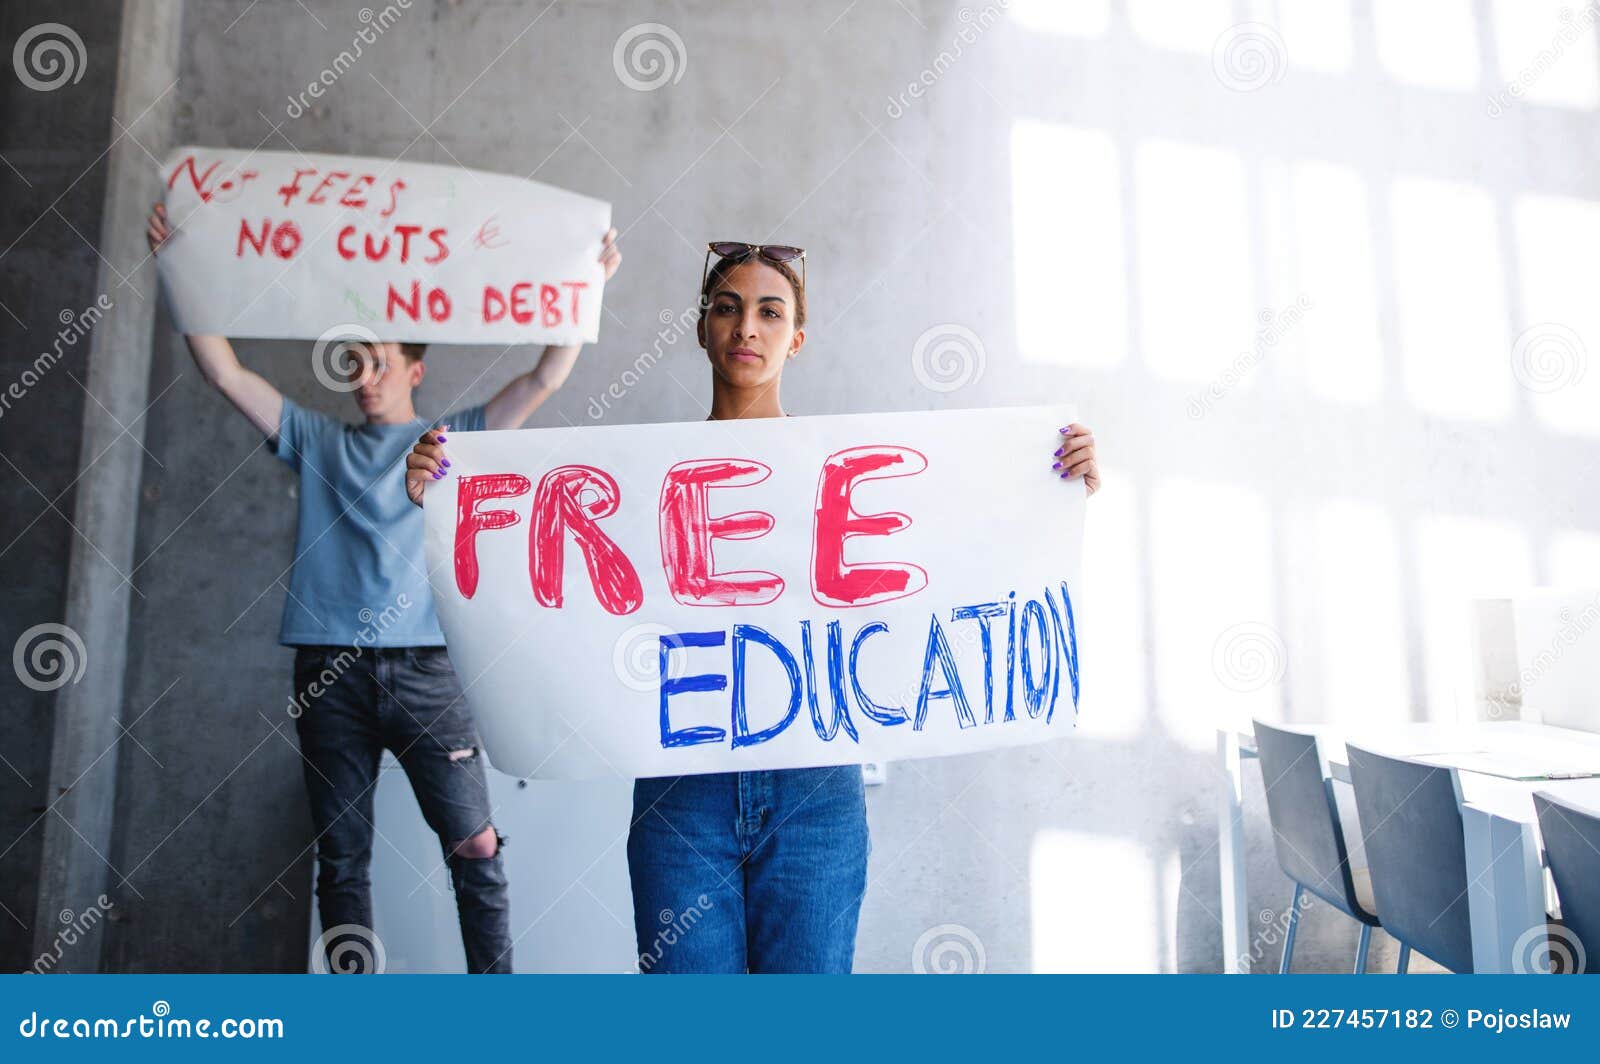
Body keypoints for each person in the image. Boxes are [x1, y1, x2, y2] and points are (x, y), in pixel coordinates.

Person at [404, 241, 1098, 973]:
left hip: (816, 798)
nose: (747, 329)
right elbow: (551, 585)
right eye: (728, 309)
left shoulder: (846, 466)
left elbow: (960, 543)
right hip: (683, 798)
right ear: (702, 328)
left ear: (794, 339)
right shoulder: (637, 480)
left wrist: (1048, 483)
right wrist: (443, 489)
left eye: (770, 313)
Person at [146, 201, 622, 973]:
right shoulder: (317, 441)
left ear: (413, 369)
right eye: (353, 362)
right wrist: (180, 266)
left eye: (378, 360)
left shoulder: (453, 440)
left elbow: (545, 375)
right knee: (341, 860)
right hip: (329, 672)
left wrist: (585, 287)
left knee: (474, 843)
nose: (364, 377)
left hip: (428, 671)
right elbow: (224, 370)